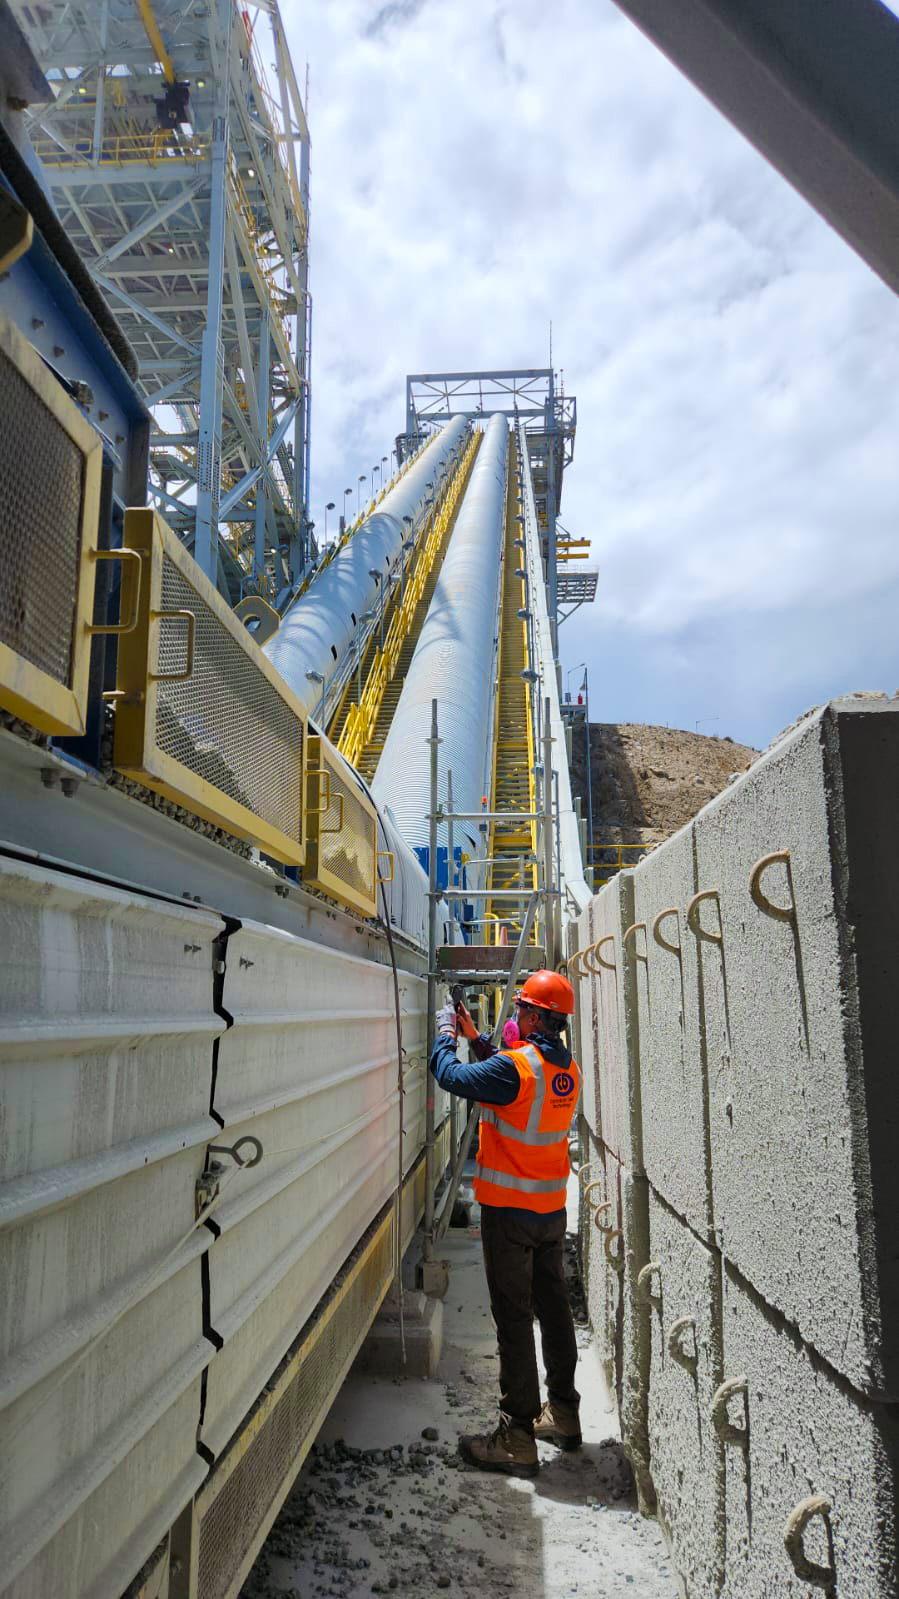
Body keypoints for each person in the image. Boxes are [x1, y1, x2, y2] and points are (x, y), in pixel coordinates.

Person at [431, 969, 581, 1478]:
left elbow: (450, 1078)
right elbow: (509, 1083)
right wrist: (477, 1039)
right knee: (554, 1306)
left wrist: (444, 1036)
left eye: (521, 1008)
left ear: (537, 1015)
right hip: (549, 1211)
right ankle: (562, 1411)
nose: (515, 1014)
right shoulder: (565, 1069)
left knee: (514, 1318)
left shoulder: (518, 1068)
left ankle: (517, 1435)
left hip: (510, 1215)